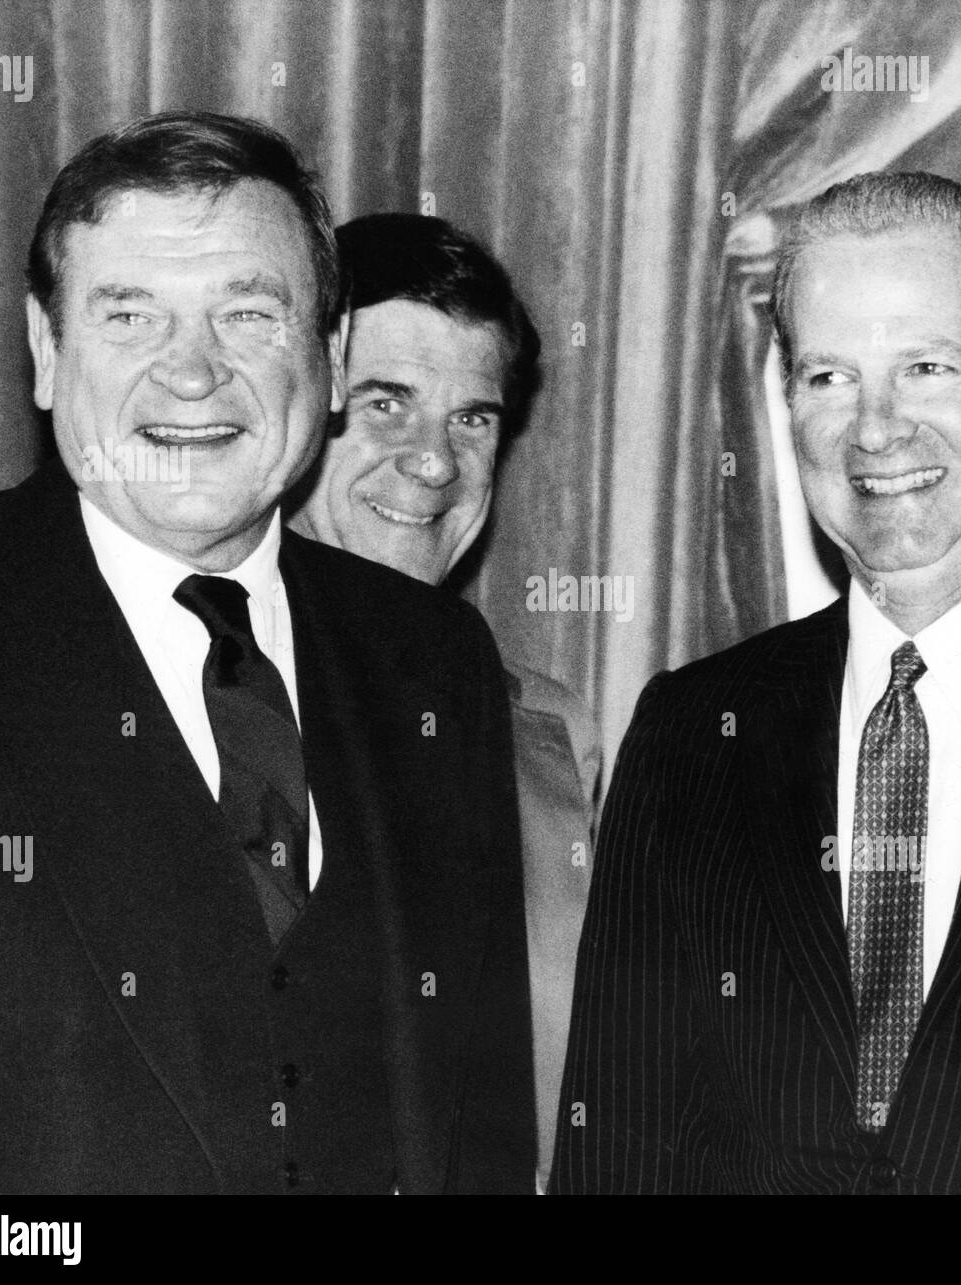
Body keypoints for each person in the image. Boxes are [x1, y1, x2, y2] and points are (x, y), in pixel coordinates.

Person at [553, 171, 961, 1194]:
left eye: (924, 366)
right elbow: (619, 1152)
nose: (873, 428)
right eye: (827, 376)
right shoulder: (694, 727)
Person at [0, 111, 534, 1194]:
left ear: (333, 356)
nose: (194, 374)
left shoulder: (435, 661)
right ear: (44, 352)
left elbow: (475, 1126)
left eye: (248, 314)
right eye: (130, 316)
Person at [287, 213, 600, 1187]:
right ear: (301, 401)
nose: (435, 461)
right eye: (387, 402)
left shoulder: (557, 732)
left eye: (473, 417)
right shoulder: (173, 691)